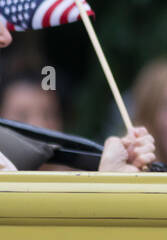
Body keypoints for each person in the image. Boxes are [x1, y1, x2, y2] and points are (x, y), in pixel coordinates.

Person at [0, 24, 156, 172]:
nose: (39, 124)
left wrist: (114, 177)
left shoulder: (84, 175)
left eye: (48, 114)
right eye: (22, 115)